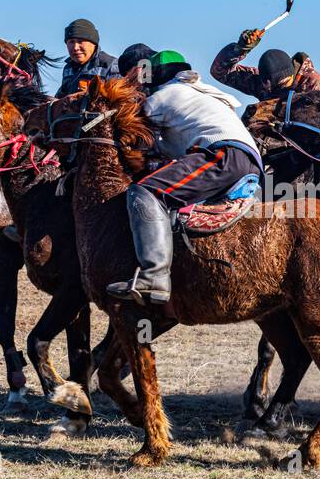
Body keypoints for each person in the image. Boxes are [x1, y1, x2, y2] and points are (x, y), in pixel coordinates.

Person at [106, 51, 264, 306]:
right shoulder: (203, 94)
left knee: (144, 192)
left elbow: (128, 131)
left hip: (223, 156)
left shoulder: (163, 97)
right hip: (245, 161)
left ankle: (154, 276)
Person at [210, 27, 320, 101]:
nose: (269, 88)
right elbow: (220, 72)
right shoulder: (263, 82)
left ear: (291, 75)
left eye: (280, 85)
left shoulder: (313, 86)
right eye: (267, 85)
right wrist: (239, 49)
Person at [57, 18, 119, 97]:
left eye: (80, 41)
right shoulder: (68, 68)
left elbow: (116, 101)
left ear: (94, 43)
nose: (75, 47)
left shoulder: (110, 65)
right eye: (71, 42)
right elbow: (60, 97)